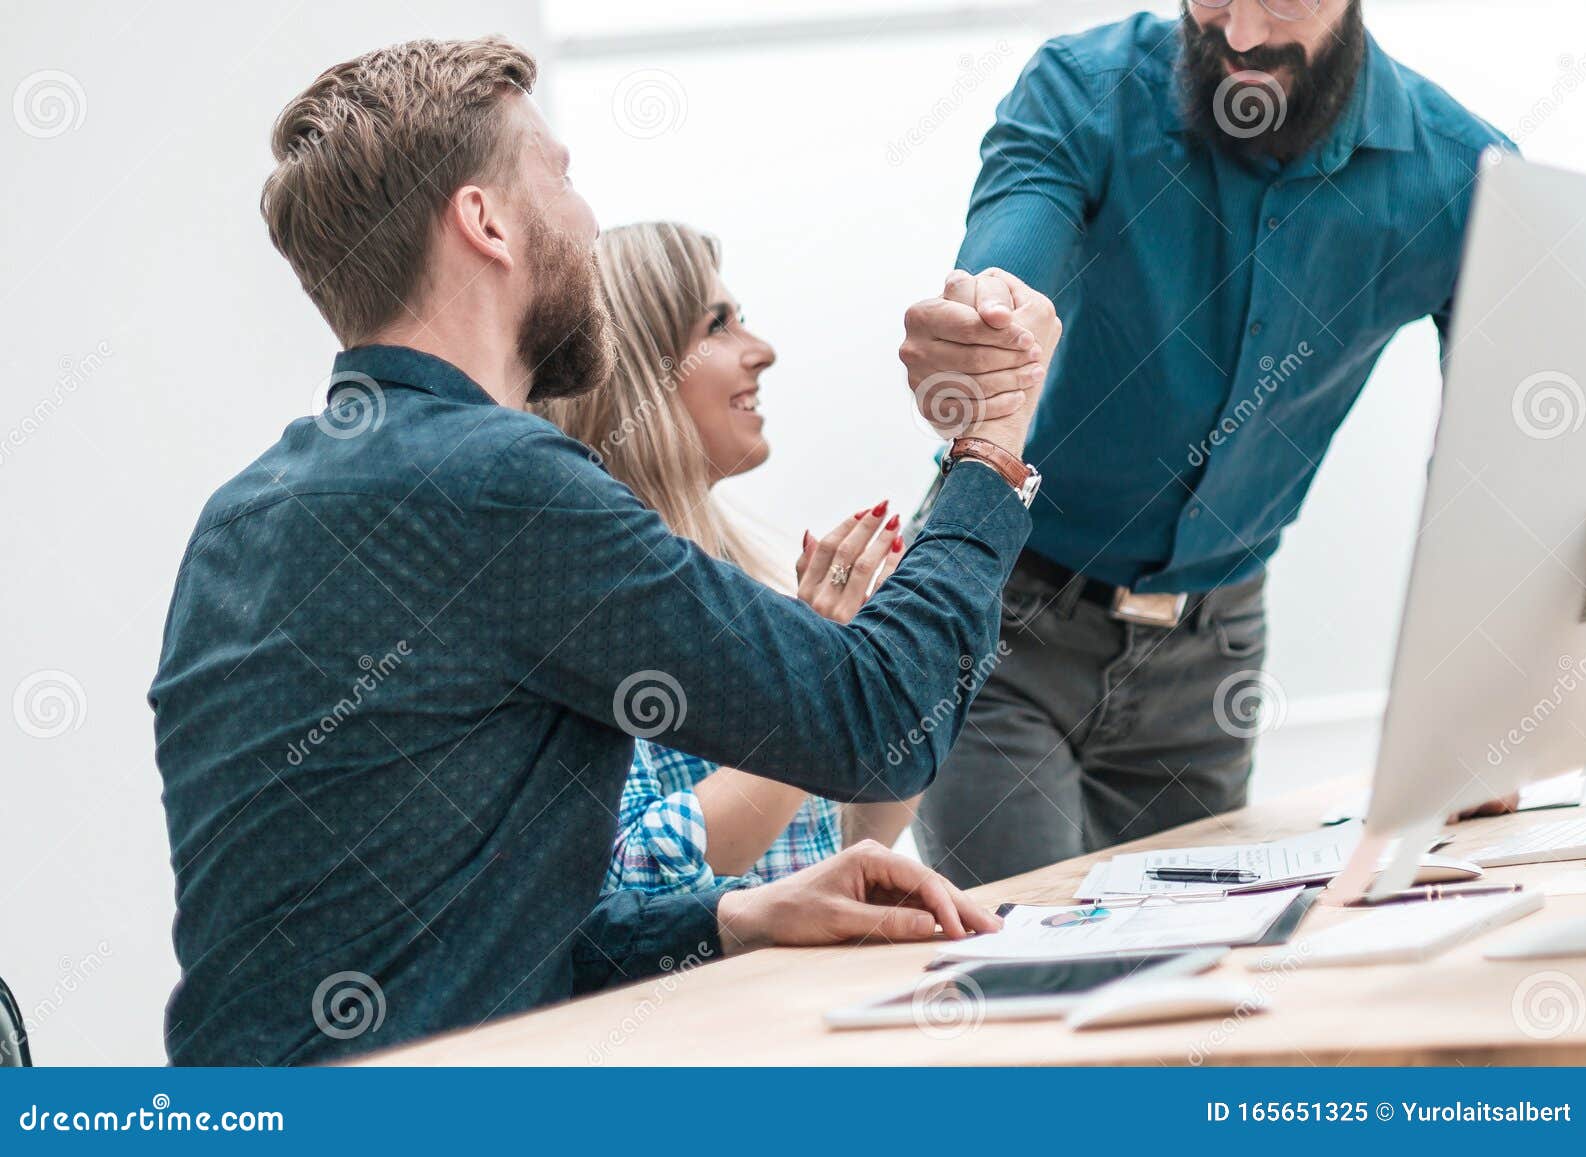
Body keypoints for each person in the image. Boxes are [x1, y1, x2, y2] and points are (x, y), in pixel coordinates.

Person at [148, 37, 1058, 1065]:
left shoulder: (237, 521)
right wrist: (989, 444)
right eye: (563, 177)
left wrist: (726, 919)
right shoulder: (497, 483)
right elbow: (880, 719)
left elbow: (435, 955)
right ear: (485, 222)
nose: (585, 220)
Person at [900, 0, 1516, 887]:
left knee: (1191, 975)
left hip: (1210, 661)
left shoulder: (1462, 177)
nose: (1238, 35)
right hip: (1002, 624)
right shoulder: (1085, 89)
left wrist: (1476, 705)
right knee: (1026, 958)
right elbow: (1009, 267)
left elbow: (1497, 468)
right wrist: (984, 328)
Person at [537, 222, 916, 896]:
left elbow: (844, 840)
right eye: (718, 325)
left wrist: (906, 650)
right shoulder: (588, 601)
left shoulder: (743, 582)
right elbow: (635, 872)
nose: (762, 351)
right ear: (637, 372)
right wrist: (815, 684)